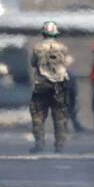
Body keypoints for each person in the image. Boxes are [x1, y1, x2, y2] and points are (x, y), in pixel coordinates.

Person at [29, 21, 71, 153]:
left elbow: (33, 63)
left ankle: (39, 144)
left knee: (38, 116)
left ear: (43, 33)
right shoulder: (63, 48)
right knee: (60, 116)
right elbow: (65, 62)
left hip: (42, 84)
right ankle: (60, 146)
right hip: (59, 84)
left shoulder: (37, 47)